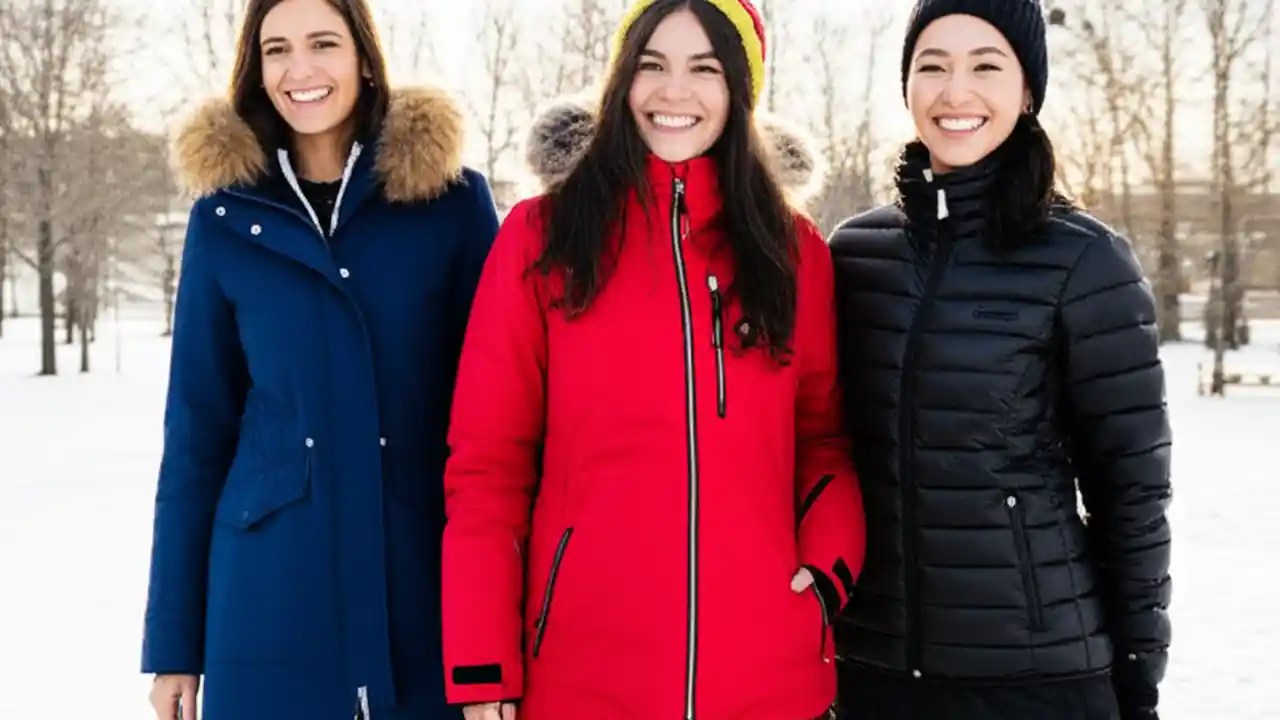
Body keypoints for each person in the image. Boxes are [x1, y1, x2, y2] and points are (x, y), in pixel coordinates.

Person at [439, 1, 866, 718]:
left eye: (705, 69)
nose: (675, 92)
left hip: (769, 679)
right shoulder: (541, 238)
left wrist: (826, 574)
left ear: (739, 91)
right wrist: (485, 668)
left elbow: (825, 441)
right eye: (652, 66)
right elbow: (488, 465)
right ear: (620, 83)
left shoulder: (793, 253)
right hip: (582, 680)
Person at [139, 0, 498, 717]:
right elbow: (198, 434)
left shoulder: (450, 205)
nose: (299, 70)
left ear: (365, 58)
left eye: (322, 43)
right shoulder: (223, 218)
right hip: (268, 595)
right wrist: (175, 643)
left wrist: (497, 635)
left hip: (421, 585)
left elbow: (496, 419)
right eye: (276, 50)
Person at [828, 1, 1172, 718]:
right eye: (933, 66)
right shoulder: (855, 255)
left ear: (1027, 91)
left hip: (1034, 677)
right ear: (907, 86)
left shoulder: (1083, 259)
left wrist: (1138, 675)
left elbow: (1130, 495)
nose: (957, 92)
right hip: (870, 670)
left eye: (986, 65)